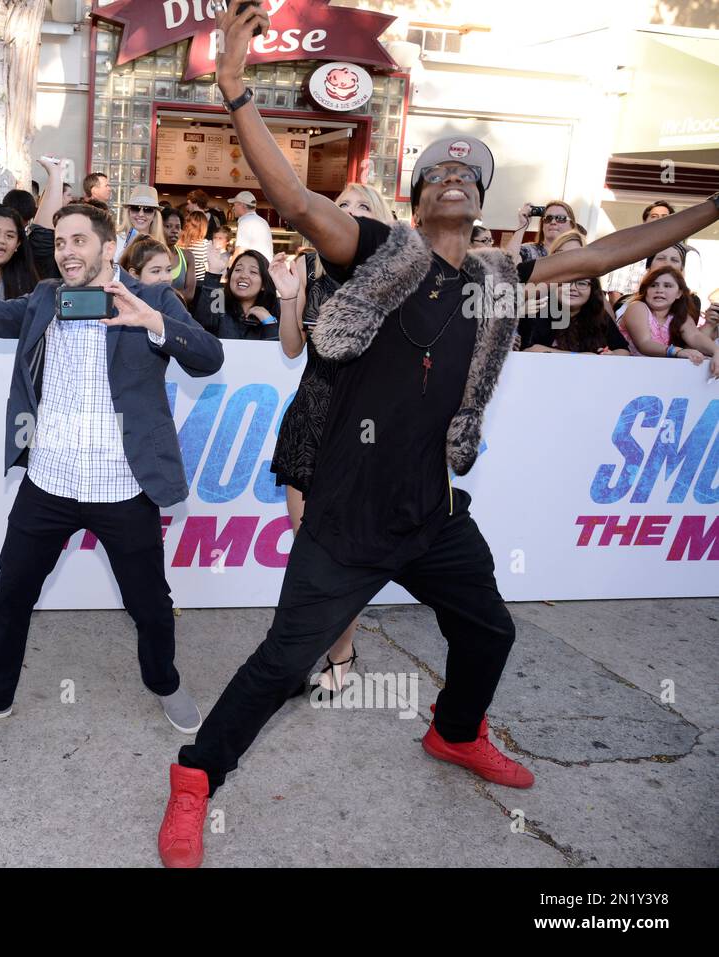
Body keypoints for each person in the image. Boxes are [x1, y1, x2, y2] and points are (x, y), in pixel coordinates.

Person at [156, 0, 719, 869]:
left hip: (433, 510)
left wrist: (703, 212)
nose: (454, 173)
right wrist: (235, 94)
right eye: (439, 170)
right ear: (419, 197)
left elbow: (608, 256)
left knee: (489, 630)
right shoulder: (379, 250)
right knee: (280, 663)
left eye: (470, 173)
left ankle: (455, 731)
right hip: (346, 512)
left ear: (483, 205)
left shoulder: (498, 280)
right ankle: (195, 776)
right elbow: (298, 198)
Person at [0, 201, 224, 738]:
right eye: (60, 242)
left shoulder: (153, 296)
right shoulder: (47, 297)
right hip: (49, 483)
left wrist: (156, 322)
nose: (67, 252)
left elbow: (208, 356)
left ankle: (165, 683)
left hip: (123, 488)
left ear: (108, 248)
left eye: (79, 242)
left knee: (150, 603)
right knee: (11, 593)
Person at [271, 181, 395, 697]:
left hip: (362, 429)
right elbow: (293, 347)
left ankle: (341, 649)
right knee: (308, 550)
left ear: (379, 222)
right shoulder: (313, 277)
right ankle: (298, 652)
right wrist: (288, 297)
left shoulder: (393, 286)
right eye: (340, 206)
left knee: (342, 552)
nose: (347, 214)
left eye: (361, 207)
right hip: (311, 417)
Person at [618, 265, 718, 374]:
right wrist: (678, 351)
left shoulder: (679, 316)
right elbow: (644, 344)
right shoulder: (637, 307)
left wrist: (716, 352)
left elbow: (695, 336)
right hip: (628, 372)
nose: (659, 290)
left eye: (667, 286)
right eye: (653, 285)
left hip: (658, 373)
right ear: (646, 291)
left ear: (679, 293)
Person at [521, 277, 629, 355]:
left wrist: (610, 355)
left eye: (582, 283)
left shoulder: (599, 315)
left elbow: (623, 350)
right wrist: (578, 357)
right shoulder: (538, 309)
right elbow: (529, 350)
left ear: (593, 289)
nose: (572, 288)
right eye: (566, 282)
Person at [191, 249, 280, 340]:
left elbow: (276, 350)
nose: (243, 275)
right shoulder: (219, 304)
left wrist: (269, 322)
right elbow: (201, 331)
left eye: (253, 272)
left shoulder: (274, 311)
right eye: (238, 270)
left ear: (264, 285)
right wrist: (213, 273)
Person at [603, 200, 677, 305]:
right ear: (645, 222)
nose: (659, 220)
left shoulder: (677, 254)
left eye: (665, 216)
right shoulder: (628, 250)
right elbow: (615, 292)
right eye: (654, 216)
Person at [507, 199, 576, 263]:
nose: (553, 222)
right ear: (542, 225)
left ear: (571, 225)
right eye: (548, 218)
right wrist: (522, 225)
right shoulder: (529, 250)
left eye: (561, 218)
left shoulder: (577, 254)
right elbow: (507, 264)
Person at [114, 185, 164, 263]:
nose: (141, 214)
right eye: (135, 208)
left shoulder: (159, 245)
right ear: (128, 212)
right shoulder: (116, 240)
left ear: (155, 215)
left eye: (148, 209)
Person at [162, 206, 196, 301]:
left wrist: (163, 293)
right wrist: (179, 293)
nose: (174, 231)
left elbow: (189, 294)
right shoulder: (151, 254)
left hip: (179, 314)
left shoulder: (187, 256)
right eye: (168, 226)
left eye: (178, 227)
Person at [230, 190, 274, 260]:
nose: (233, 208)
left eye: (234, 204)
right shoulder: (262, 221)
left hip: (254, 267)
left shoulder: (245, 222)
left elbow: (240, 250)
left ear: (241, 205)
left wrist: (230, 268)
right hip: (263, 266)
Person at [179, 209, 211, 287]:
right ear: (203, 227)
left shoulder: (179, 242)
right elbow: (208, 267)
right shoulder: (204, 244)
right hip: (198, 283)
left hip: (182, 281)